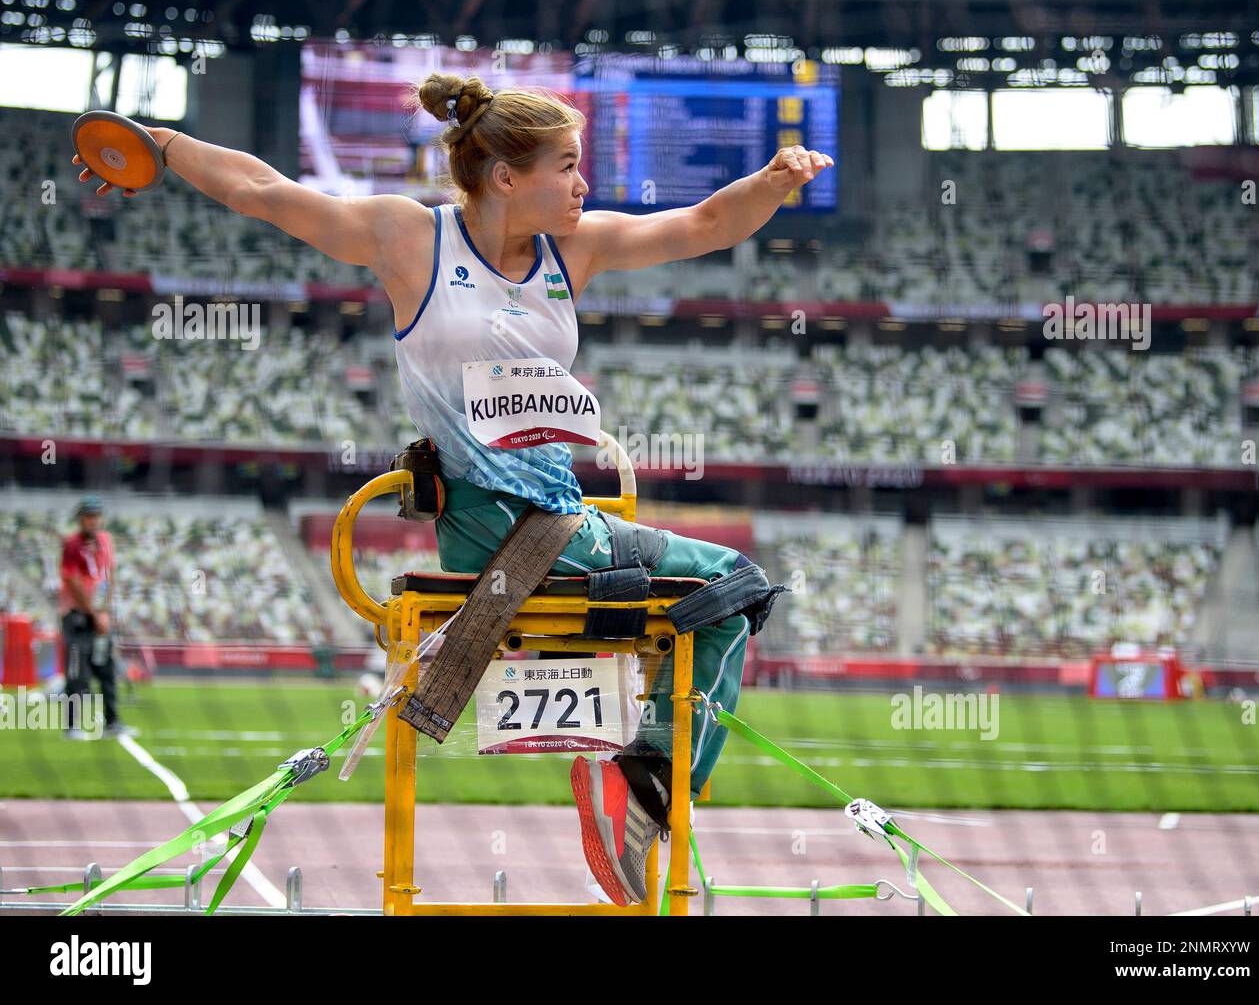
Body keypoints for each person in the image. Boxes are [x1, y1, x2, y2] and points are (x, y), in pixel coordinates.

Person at [73, 74, 833, 905]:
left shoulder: (573, 250)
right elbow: (267, 191)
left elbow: (707, 223)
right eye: (568, 166)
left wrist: (774, 180)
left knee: (704, 597)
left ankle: (638, 778)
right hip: (503, 527)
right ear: (506, 177)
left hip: (560, 519)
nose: (585, 185)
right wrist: (162, 144)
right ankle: (643, 792)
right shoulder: (410, 238)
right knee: (734, 585)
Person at [59, 496, 136, 739]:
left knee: (106, 669)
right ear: (80, 519)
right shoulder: (72, 545)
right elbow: (72, 582)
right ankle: (72, 726)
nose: (93, 521)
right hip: (77, 617)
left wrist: (104, 611)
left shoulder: (106, 540)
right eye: (89, 516)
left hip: (98, 616)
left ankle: (112, 722)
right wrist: (94, 612)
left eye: (96, 516)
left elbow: (108, 575)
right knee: (76, 672)